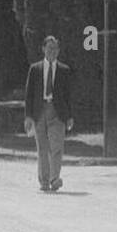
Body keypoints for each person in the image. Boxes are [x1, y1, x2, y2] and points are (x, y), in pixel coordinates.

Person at [24, 35, 74, 192]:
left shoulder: (64, 70)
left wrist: (69, 116)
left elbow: (69, 95)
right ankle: (44, 181)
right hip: (39, 111)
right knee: (42, 148)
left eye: (55, 48)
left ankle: (54, 178)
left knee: (57, 146)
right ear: (43, 49)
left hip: (57, 112)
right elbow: (29, 94)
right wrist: (28, 116)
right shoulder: (35, 69)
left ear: (58, 51)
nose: (52, 51)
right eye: (49, 48)